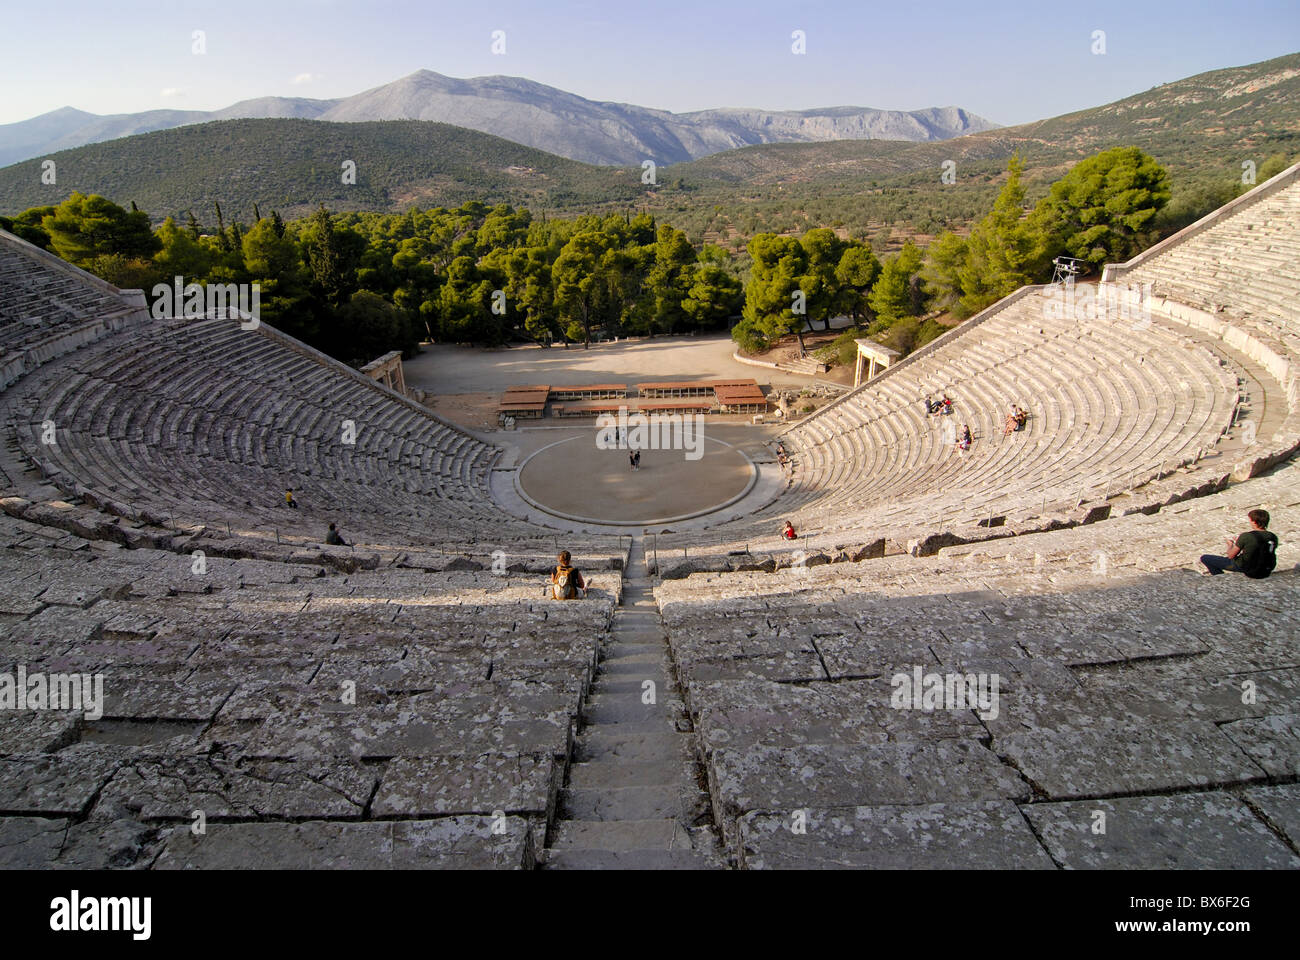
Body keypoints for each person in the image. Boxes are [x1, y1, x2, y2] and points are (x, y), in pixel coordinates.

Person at [1201, 509, 1279, 578]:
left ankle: (1220, 578)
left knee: (1205, 558)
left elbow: (1231, 555)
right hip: (1266, 569)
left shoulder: (1246, 536)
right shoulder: (1273, 536)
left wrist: (1230, 545)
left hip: (1246, 567)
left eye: (1250, 520)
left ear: (1254, 522)